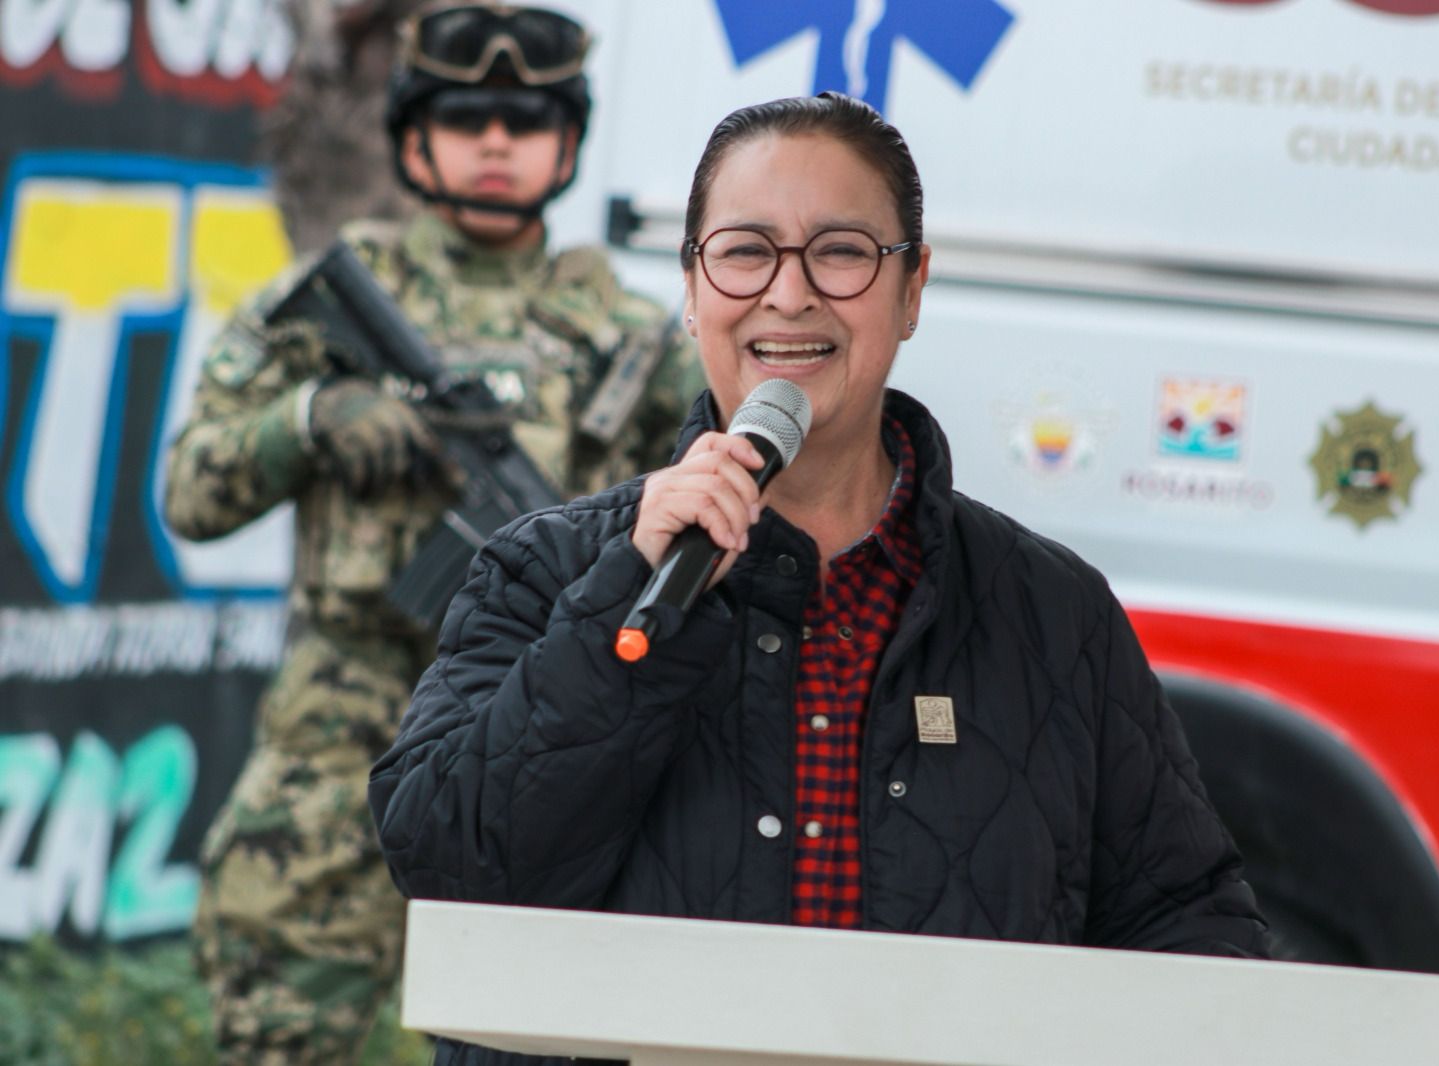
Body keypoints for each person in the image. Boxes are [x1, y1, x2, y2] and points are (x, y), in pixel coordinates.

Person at [370, 92, 1268, 1066]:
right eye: (744, 250)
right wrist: (628, 605)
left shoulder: (1054, 613)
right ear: (691, 286)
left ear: (911, 289)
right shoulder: (548, 572)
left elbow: (1190, 930)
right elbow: (449, 867)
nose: (787, 295)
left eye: (840, 251)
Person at [164, 4, 702, 1062]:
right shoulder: (329, 302)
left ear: (568, 139)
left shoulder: (634, 340)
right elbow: (191, 490)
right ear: (412, 136)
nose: (496, 142)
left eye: (526, 118)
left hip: (538, 745)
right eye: (465, 117)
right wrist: (309, 421)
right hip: (336, 747)